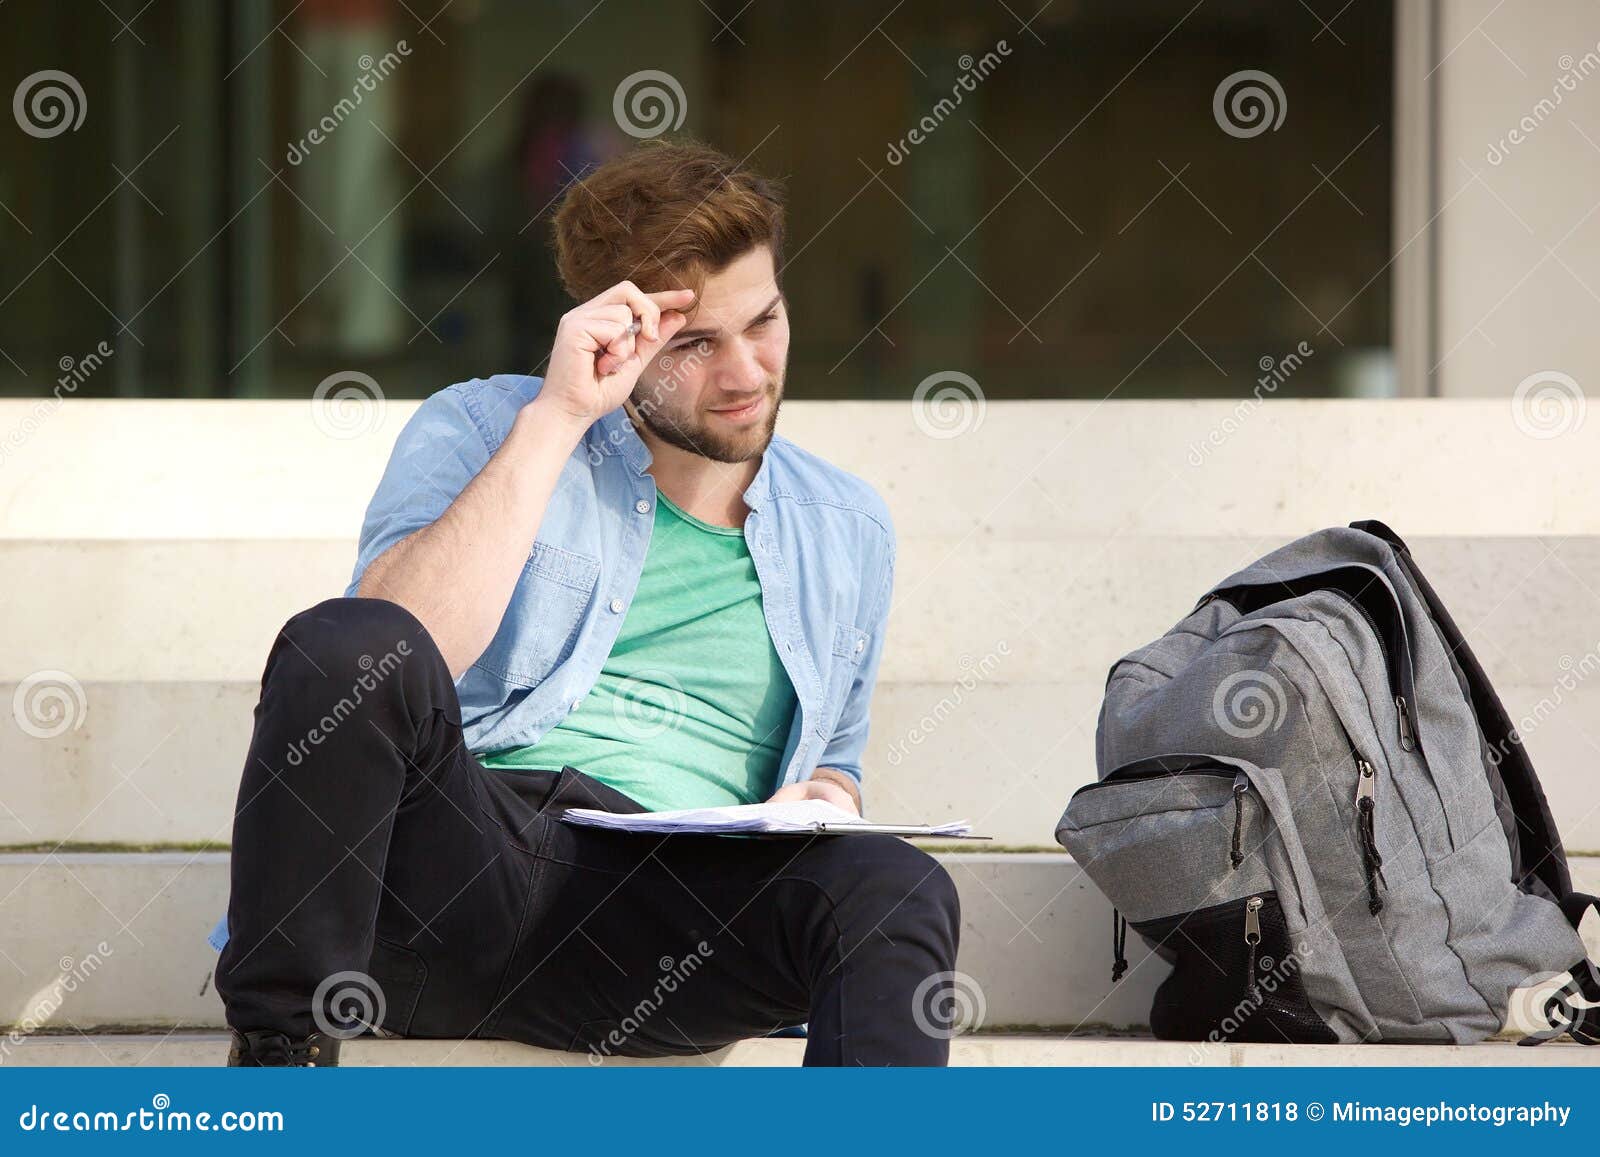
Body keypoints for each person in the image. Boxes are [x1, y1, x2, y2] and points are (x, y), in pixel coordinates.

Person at [210, 137, 960, 1068]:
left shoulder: (846, 524)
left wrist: (825, 796)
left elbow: (836, 754)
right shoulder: (485, 425)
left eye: (763, 322)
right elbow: (391, 652)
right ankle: (279, 1069)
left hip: (668, 922)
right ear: (614, 330)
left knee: (898, 887)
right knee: (345, 639)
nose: (746, 373)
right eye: (694, 344)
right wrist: (561, 419)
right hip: (455, 873)